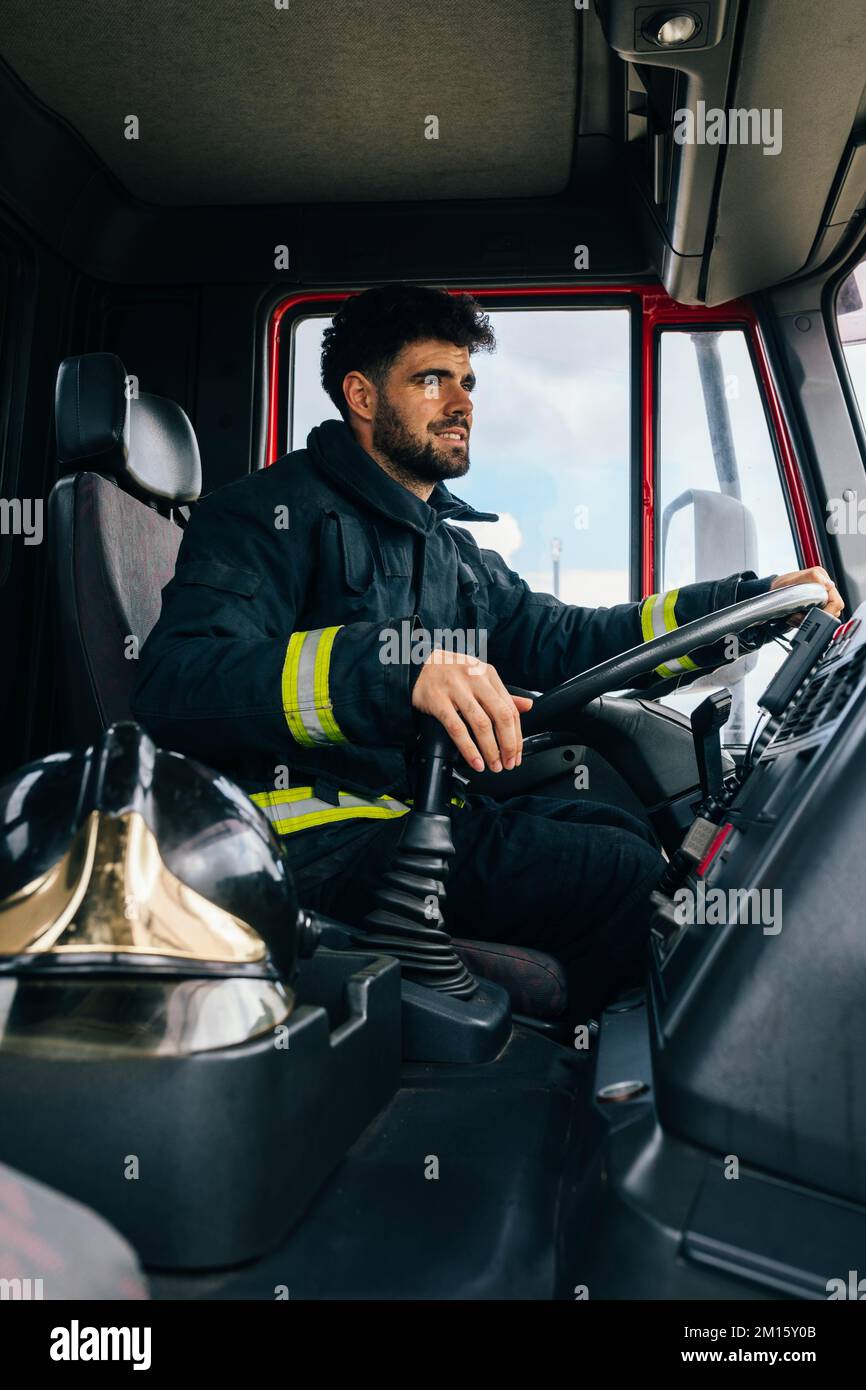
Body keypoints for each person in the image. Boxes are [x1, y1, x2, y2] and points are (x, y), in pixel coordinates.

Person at [132, 284, 843, 1023]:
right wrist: (394, 669)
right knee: (623, 874)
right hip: (301, 850)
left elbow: (571, 639)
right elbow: (174, 684)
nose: (463, 401)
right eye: (432, 379)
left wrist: (741, 604)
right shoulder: (264, 514)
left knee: (616, 831)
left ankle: (591, 1061)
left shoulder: (453, 554)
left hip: (416, 821)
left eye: (467, 382)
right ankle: (610, 1090)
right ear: (362, 396)